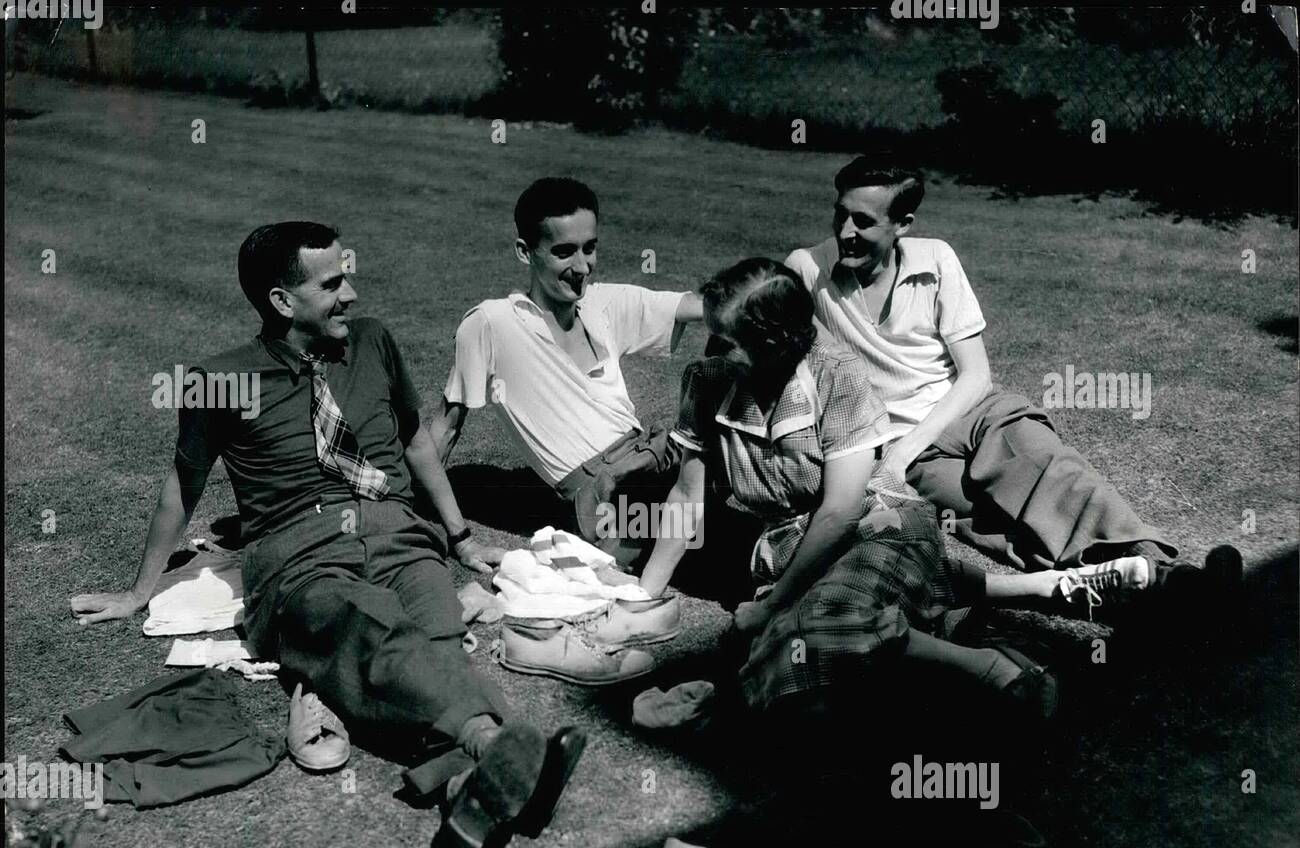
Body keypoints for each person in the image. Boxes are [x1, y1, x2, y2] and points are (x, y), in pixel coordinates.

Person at [68, 221, 586, 848]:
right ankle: (489, 743)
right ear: (282, 301)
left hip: (398, 535)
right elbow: (183, 480)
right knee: (379, 634)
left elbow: (416, 443)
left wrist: (458, 537)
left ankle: (465, 792)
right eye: (333, 282)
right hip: (300, 555)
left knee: (436, 637)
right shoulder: (217, 380)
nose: (351, 293)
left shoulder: (372, 344)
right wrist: (139, 590)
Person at [638, 258, 1149, 719]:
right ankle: (1042, 590)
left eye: (725, 341)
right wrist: (645, 594)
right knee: (809, 688)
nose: (711, 349)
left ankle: (993, 670)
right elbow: (687, 497)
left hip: (876, 525)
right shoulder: (706, 379)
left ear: (773, 342)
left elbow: (839, 512)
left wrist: (773, 608)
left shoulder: (837, 377)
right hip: (794, 549)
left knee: (805, 634)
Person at [783, 158, 1241, 617]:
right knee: (992, 521)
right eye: (839, 214)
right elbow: (752, 315)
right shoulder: (807, 269)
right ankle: (1161, 590)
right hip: (902, 440)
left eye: (863, 222)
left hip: (974, 411)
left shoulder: (936, 258)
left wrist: (901, 459)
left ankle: (1166, 571)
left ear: (903, 224)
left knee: (1054, 472)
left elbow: (975, 373)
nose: (845, 232)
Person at [429, 176, 706, 567]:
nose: (582, 267)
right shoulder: (493, 322)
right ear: (526, 253)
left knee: (725, 385)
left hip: (652, 458)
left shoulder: (602, 302)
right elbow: (444, 429)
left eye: (589, 248)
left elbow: (705, 307)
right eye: (564, 252)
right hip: (606, 492)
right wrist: (436, 526)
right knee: (709, 532)